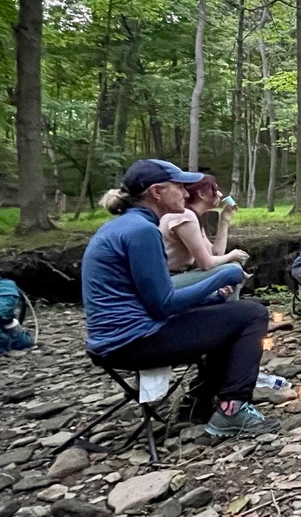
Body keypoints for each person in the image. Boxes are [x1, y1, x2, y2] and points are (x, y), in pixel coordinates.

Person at [82, 159, 280, 437]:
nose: (186, 194)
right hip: (132, 342)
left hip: (118, 338)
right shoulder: (141, 231)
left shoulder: (126, 225)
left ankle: (198, 403)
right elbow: (164, 305)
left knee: (229, 317)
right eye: (179, 187)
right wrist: (222, 278)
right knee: (253, 314)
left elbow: (152, 299)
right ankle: (232, 409)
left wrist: (211, 300)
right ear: (157, 192)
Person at [159, 174, 248, 293]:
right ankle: (230, 308)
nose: (220, 195)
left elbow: (215, 254)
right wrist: (232, 255)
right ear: (202, 194)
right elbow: (206, 264)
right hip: (165, 281)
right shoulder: (184, 216)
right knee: (233, 269)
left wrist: (224, 221)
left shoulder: (193, 216)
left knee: (231, 266)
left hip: (174, 277)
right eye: (215, 190)